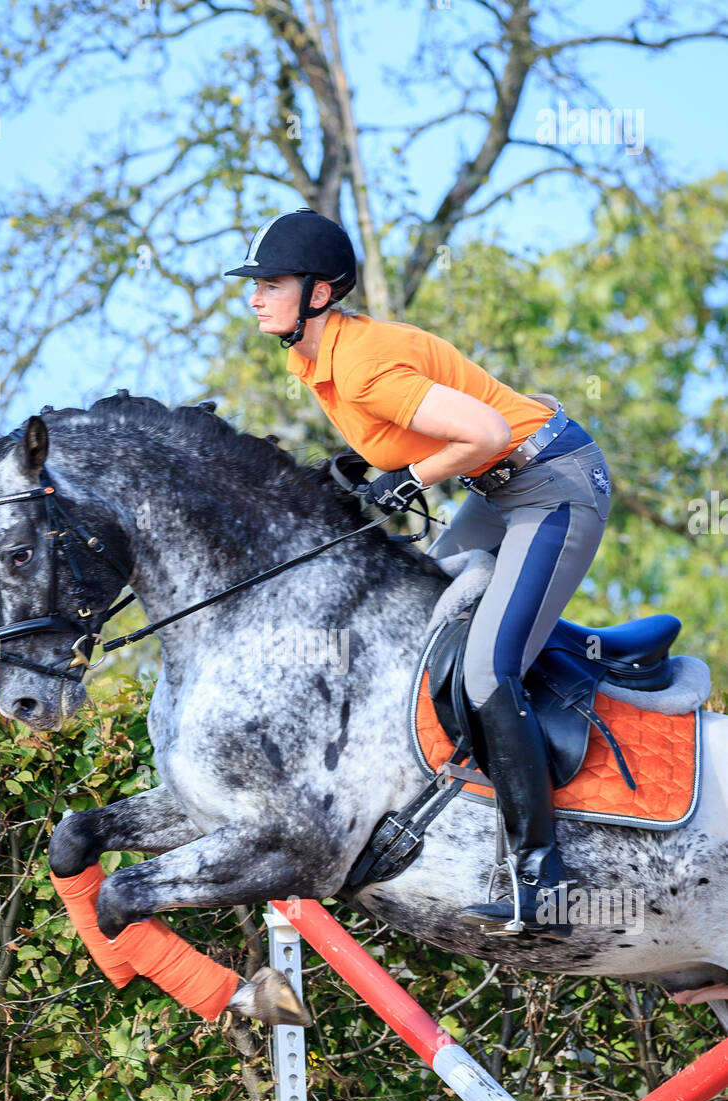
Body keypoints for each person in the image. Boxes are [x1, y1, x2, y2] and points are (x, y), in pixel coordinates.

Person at [225, 207, 613, 935]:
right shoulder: (312, 358)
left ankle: (543, 879)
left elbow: (489, 433)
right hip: (499, 493)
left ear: (318, 292)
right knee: (409, 636)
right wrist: (366, 470)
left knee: (485, 673)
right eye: (257, 284)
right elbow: (416, 437)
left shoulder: (363, 362)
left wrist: (409, 482)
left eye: (270, 283)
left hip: (552, 488)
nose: (255, 296)